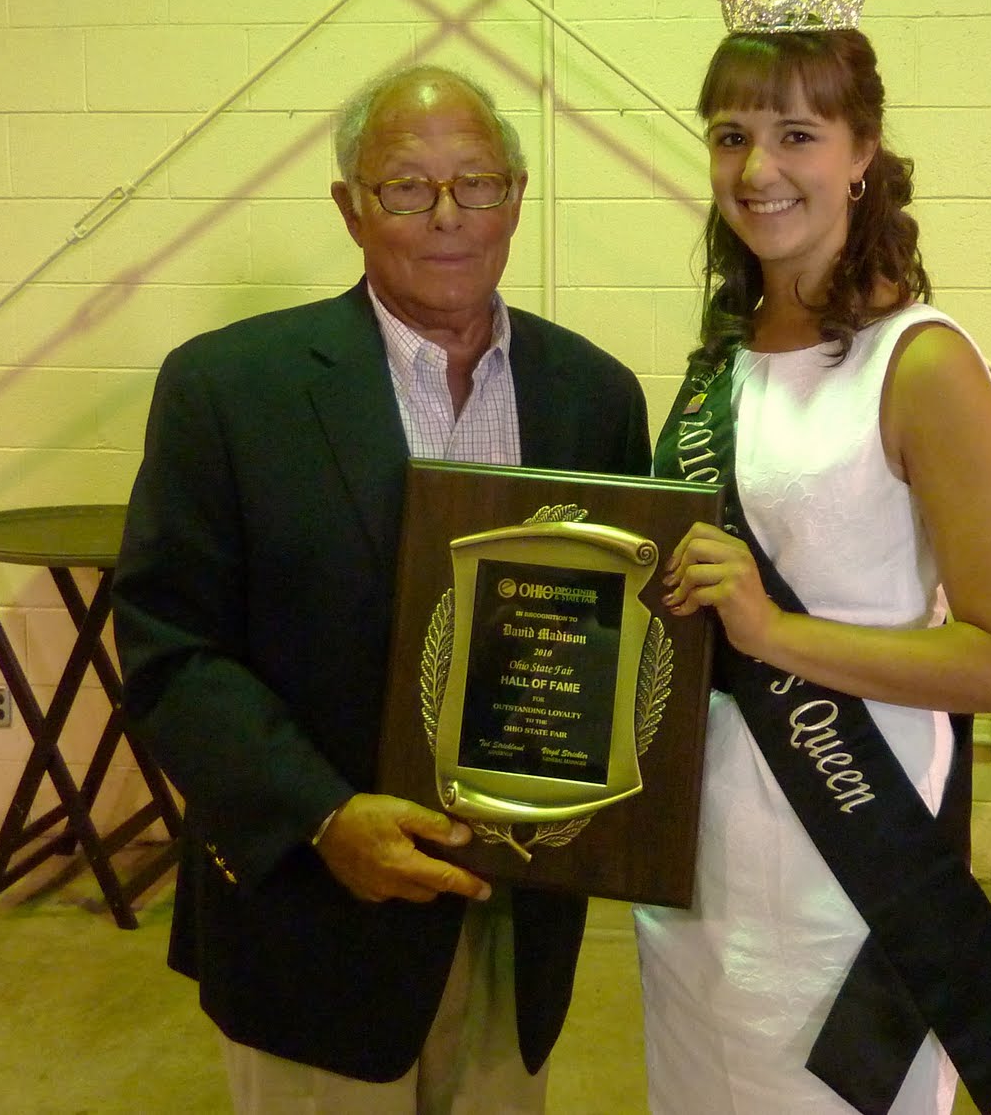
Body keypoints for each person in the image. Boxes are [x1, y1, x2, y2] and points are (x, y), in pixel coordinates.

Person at [112, 64, 650, 1114]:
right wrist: (320, 817)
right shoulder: (228, 390)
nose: (448, 215)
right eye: (406, 186)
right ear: (350, 207)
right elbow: (169, 648)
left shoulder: (594, 396)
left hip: (517, 917)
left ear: (516, 197)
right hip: (316, 919)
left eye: (477, 182)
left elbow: (617, 645)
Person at [635, 0, 991, 1115]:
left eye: (796, 134)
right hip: (698, 857)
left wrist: (775, 633)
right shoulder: (720, 361)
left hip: (848, 856)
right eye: (730, 134)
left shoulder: (921, 365)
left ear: (862, 153)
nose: (757, 168)